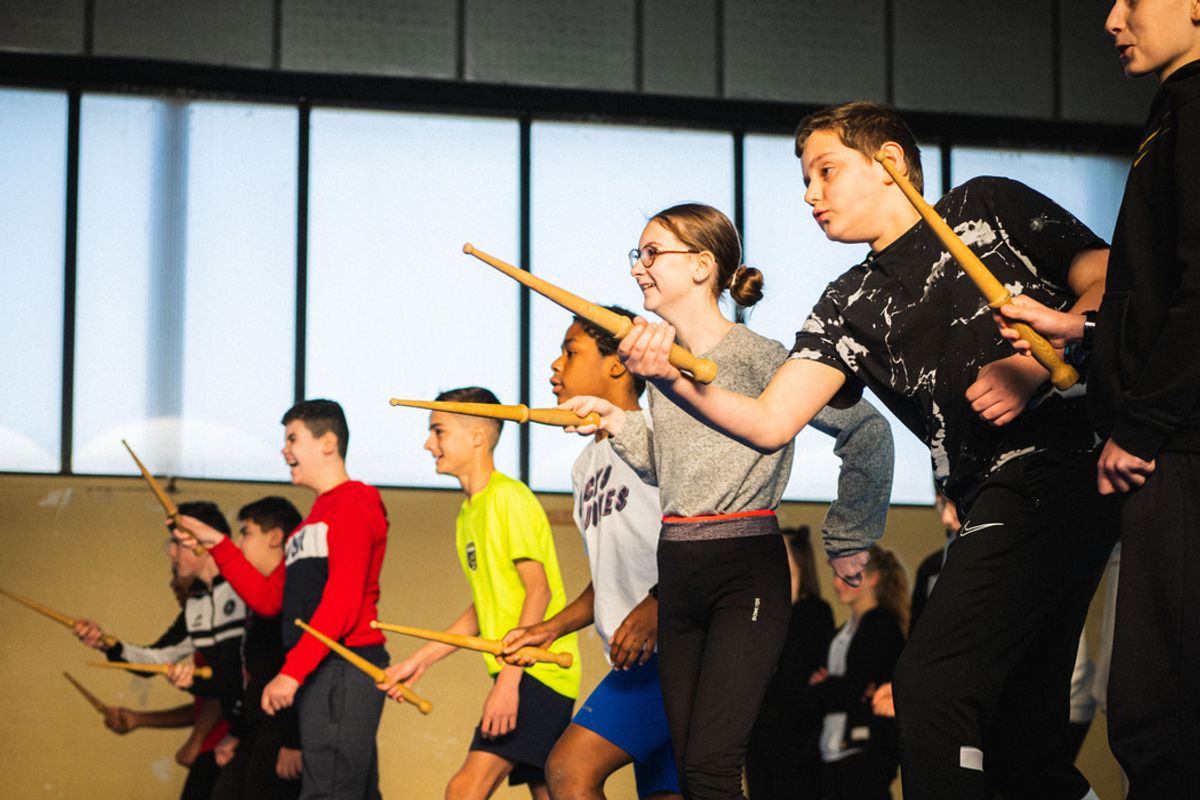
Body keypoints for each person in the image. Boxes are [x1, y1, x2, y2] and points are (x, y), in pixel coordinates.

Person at [580, 104, 1119, 799]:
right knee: (1020, 744)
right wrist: (666, 378)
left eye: (826, 172)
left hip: (1060, 463)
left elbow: (1110, 274)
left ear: (889, 162)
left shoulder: (984, 206)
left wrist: (1039, 358)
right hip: (989, 498)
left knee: (929, 685)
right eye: (806, 180)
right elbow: (770, 421)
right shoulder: (846, 305)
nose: (811, 194)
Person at [559, 202, 894, 799]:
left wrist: (849, 534)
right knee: (693, 774)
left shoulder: (760, 356)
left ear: (701, 265)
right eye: (637, 255)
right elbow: (672, 470)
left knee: (711, 772)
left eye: (652, 253)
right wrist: (616, 419)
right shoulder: (658, 363)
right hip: (677, 568)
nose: (638, 268)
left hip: (744, 569)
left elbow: (868, 432)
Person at [990, 4, 1200, 795]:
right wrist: (1076, 328)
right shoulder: (1171, 109)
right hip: (1166, 441)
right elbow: (1157, 296)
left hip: (1178, 445)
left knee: (1160, 711)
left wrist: (1141, 426)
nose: (1113, 18)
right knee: (1149, 706)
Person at [500, 309, 681, 800]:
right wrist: (550, 628)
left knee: (567, 769)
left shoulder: (660, 433)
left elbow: (702, 535)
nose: (555, 365)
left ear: (618, 364)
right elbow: (609, 577)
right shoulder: (585, 467)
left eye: (571, 351)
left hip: (676, 650)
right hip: (632, 657)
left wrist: (658, 602)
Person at [175, 399, 390, 799]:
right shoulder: (309, 525)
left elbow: (343, 602)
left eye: (293, 439)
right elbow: (271, 600)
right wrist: (218, 543)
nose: (284, 450)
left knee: (330, 793)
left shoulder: (355, 501)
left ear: (328, 443)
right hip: (321, 668)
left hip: (345, 663)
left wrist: (292, 672)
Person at [379, 387, 582, 799]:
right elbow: (484, 606)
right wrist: (419, 661)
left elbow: (538, 592)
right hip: (522, 673)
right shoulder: (469, 512)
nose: (428, 444)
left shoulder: (509, 497)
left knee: (463, 790)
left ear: (477, 436)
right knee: (549, 793)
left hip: (538, 670)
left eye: (438, 431)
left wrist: (508, 683)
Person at [177, 496, 304, 800]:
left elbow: (300, 668)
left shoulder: (295, 593)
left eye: (246, 533)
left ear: (275, 537)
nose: (239, 542)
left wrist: (293, 740)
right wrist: (237, 732)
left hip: (281, 732)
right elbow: (257, 677)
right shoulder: (261, 599)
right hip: (257, 727)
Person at [808, 544, 906, 800]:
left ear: (873, 577)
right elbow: (833, 689)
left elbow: (852, 689)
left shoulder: (882, 628)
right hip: (832, 747)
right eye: (836, 574)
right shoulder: (840, 633)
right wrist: (833, 686)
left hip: (866, 748)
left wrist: (827, 685)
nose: (837, 582)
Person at [745, 525, 834, 800]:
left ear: (798, 559)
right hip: (757, 729)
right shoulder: (762, 610)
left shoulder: (814, 612)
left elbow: (793, 677)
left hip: (794, 733)